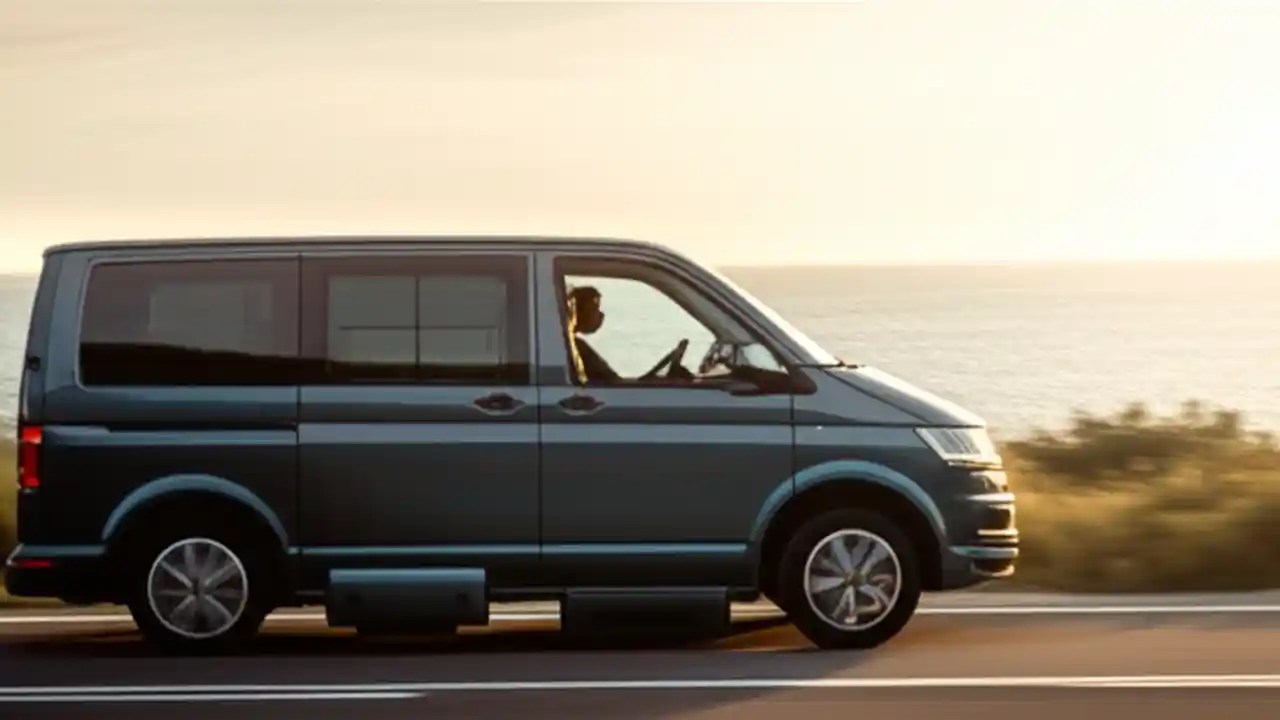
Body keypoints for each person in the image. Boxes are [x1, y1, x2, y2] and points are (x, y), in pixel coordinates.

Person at [566, 285, 619, 383]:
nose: (601, 314)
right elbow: (612, 382)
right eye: (596, 308)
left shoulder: (572, 345)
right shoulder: (576, 347)